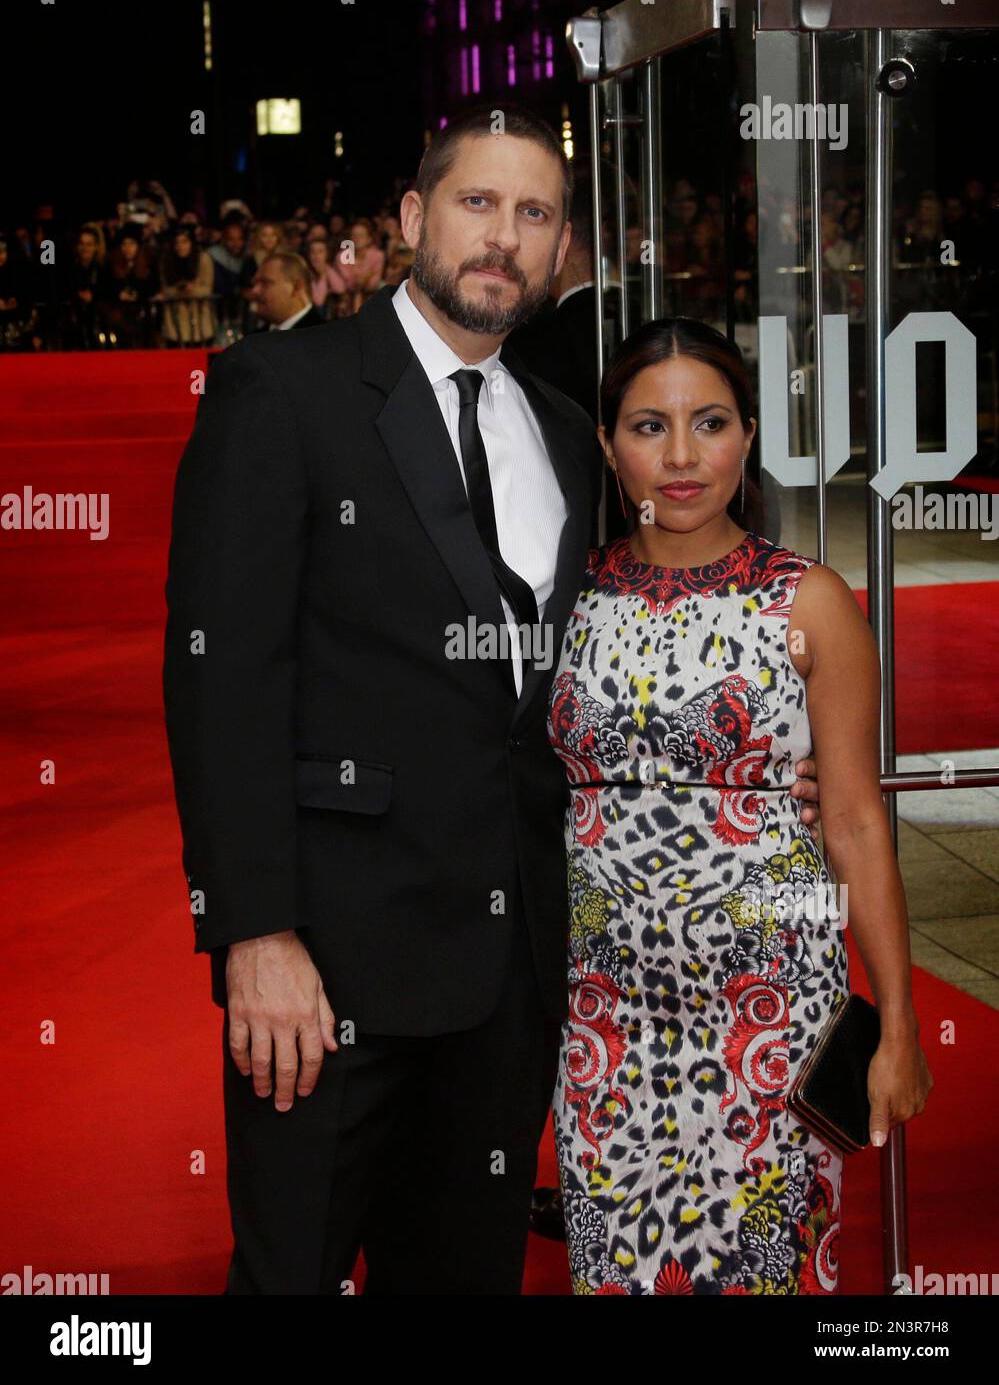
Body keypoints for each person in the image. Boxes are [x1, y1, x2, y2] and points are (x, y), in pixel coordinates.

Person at [162, 104, 822, 1295]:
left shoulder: (566, 433)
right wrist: (254, 932)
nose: (502, 237)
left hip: (512, 974)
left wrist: (757, 769)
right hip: (330, 972)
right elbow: (222, 679)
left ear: (562, 247)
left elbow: (602, 673)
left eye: (534, 214)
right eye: (478, 203)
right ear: (415, 216)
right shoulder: (282, 389)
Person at [547, 316, 933, 1295]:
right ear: (608, 445)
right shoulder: (564, 601)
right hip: (605, 1020)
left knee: (768, 1277)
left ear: (748, 435)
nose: (681, 457)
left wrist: (899, 1026)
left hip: (769, 1019)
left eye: (710, 422)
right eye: (648, 426)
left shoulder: (809, 602)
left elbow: (854, 821)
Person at [248, 249, 326, 330]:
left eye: (265, 283)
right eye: (255, 283)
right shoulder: (256, 335)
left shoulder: (326, 335)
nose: (255, 290)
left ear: (296, 287)